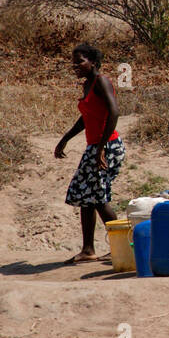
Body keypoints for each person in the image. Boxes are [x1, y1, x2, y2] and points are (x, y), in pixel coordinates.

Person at [56, 43, 125, 264]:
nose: (75, 66)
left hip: (107, 146)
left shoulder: (101, 81)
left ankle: (123, 246)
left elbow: (114, 112)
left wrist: (102, 147)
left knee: (97, 197)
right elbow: (86, 117)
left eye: (80, 61)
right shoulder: (87, 86)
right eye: (74, 62)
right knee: (86, 196)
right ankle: (88, 250)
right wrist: (65, 139)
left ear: (93, 62)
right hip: (94, 147)